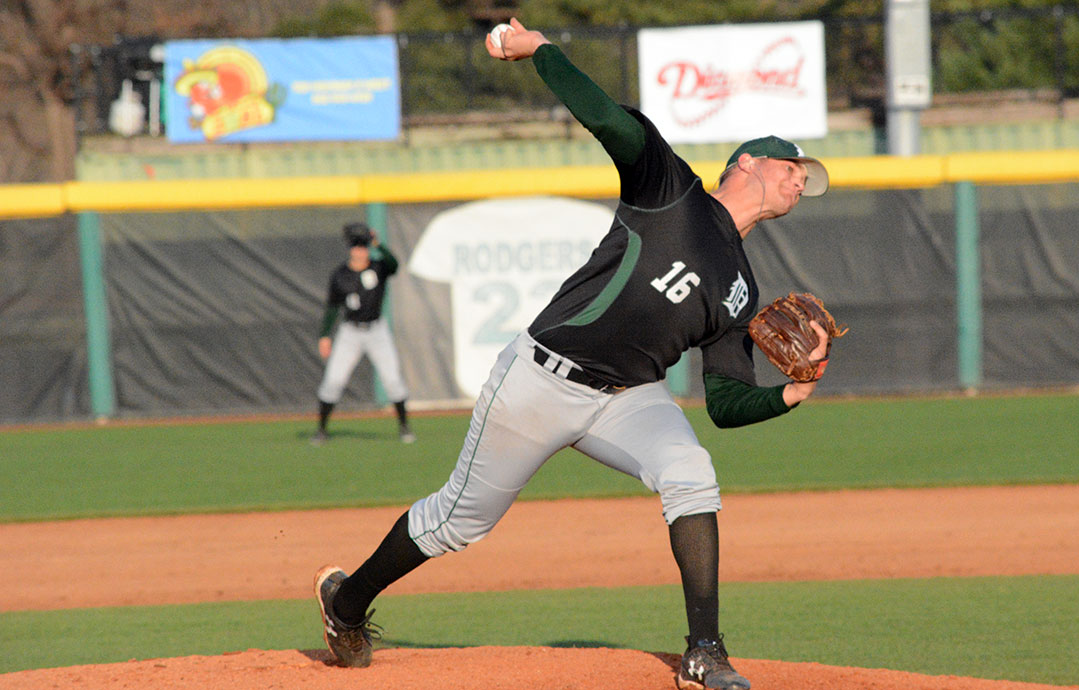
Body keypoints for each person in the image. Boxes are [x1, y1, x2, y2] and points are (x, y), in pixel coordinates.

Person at [314, 19, 831, 690]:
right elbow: (611, 122)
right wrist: (544, 54)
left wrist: (787, 396)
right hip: (541, 379)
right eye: (793, 168)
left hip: (629, 399)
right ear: (748, 164)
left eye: (806, 179)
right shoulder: (671, 190)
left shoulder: (741, 286)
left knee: (690, 471)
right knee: (456, 521)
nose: (801, 182)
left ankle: (705, 651)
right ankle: (346, 602)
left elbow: (726, 402)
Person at [312, 221, 415, 446]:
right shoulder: (340, 275)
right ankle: (321, 430)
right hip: (350, 333)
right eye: (357, 246)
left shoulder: (378, 267)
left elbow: (394, 264)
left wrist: (377, 242)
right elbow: (332, 308)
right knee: (333, 380)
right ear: (350, 249)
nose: (360, 251)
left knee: (393, 380)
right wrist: (325, 335)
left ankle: (405, 427)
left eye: (364, 246)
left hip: (377, 331)